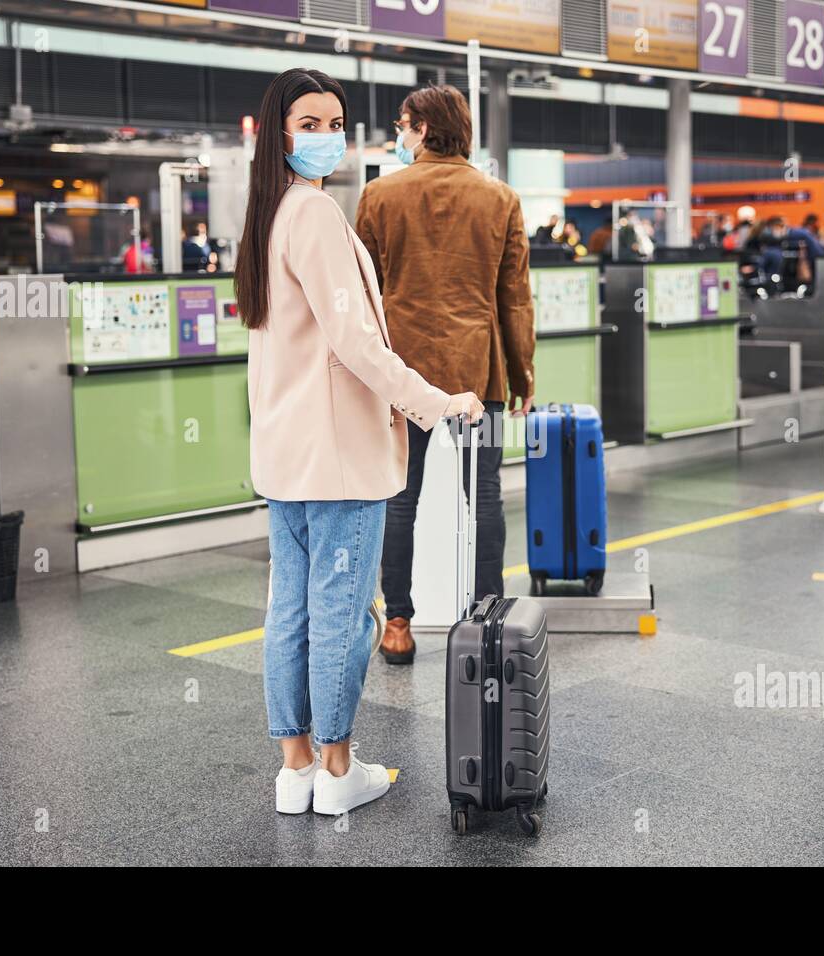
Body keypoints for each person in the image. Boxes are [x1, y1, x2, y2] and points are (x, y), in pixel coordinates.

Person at [235, 68, 483, 815]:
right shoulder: (311, 214)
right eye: (309, 123)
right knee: (341, 613)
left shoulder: (269, 216)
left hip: (286, 454)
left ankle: (296, 767)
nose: (326, 137)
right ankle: (340, 772)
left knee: (291, 610)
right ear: (278, 132)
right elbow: (357, 345)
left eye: (334, 122)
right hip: (338, 457)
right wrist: (436, 402)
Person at [355, 84, 535, 666]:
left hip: (403, 379)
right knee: (484, 498)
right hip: (477, 378)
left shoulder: (378, 196)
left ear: (423, 128)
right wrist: (522, 374)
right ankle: (487, 619)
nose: (399, 136)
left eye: (402, 125)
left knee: (399, 499)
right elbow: (514, 299)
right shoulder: (500, 198)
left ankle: (399, 623)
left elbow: (365, 298)